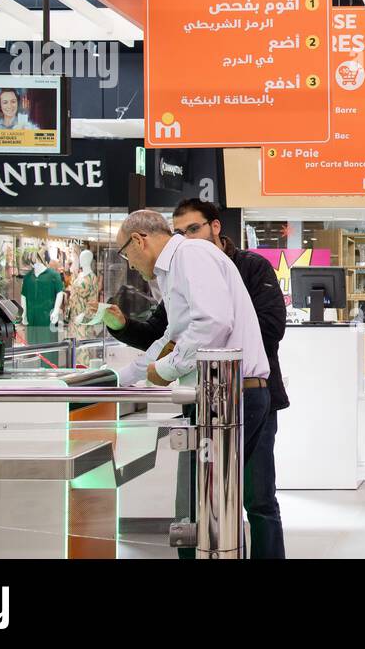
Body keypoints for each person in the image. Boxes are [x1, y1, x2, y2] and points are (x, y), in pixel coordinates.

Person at [106, 203, 287, 559]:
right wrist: (120, 380)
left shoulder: (190, 256)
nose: (130, 264)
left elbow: (212, 324)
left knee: (210, 506)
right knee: (210, 505)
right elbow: (171, 336)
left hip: (232, 395)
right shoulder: (177, 267)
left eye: (126, 254)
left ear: (139, 241)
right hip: (223, 395)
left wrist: (168, 369)